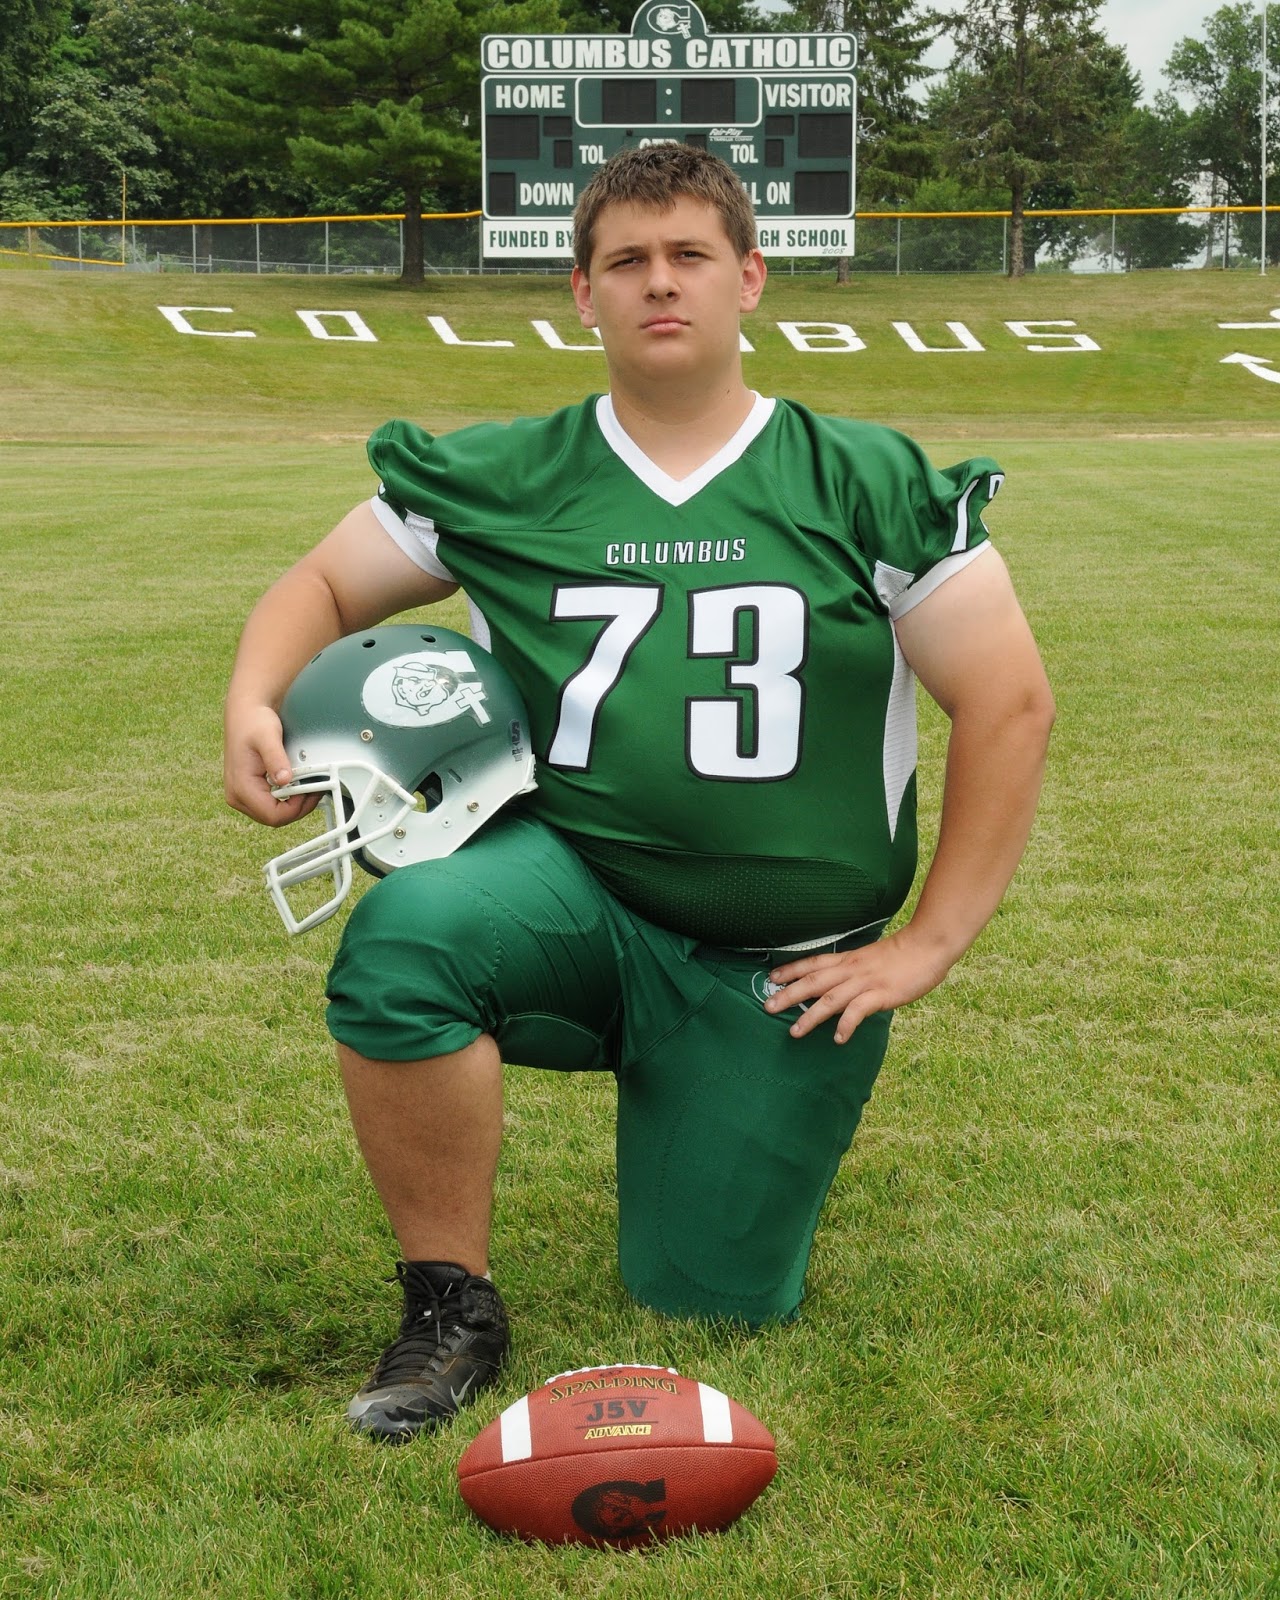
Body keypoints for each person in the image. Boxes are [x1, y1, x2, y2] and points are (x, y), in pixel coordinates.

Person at [224, 143, 1055, 1445]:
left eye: (688, 256)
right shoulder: (512, 470)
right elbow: (322, 588)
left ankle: (708, 1108)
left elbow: (1007, 703)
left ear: (750, 278)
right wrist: (253, 697)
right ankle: (449, 1302)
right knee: (409, 939)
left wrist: (929, 943)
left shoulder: (866, 479)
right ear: (583, 293)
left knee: (713, 1304)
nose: (658, 284)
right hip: (582, 898)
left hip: (780, 967)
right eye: (627, 260)